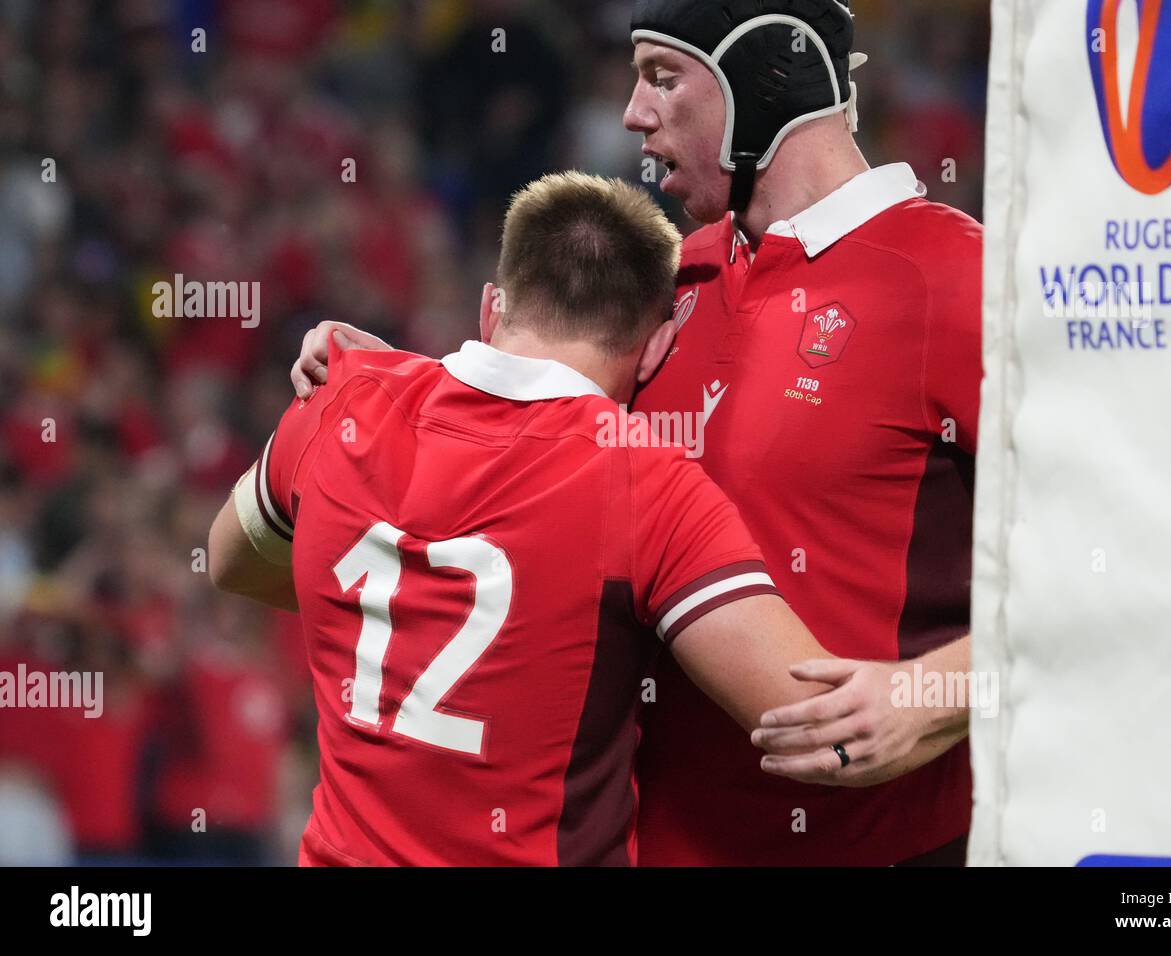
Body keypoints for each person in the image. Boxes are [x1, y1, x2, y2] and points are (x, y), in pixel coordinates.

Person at [291, 0, 983, 866]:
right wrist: (388, 382)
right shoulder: (669, 283)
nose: (632, 112)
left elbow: (1099, 565)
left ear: (769, 79)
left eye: (663, 76)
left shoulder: (954, 281)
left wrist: (945, 687)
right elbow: (526, 440)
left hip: (876, 842)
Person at [209, 173, 951, 866]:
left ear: (491, 306)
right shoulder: (645, 482)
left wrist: (406, 604)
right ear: (658, 345)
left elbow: (228, 561)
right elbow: (826, 734)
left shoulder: (343, 397)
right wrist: (992, 670)